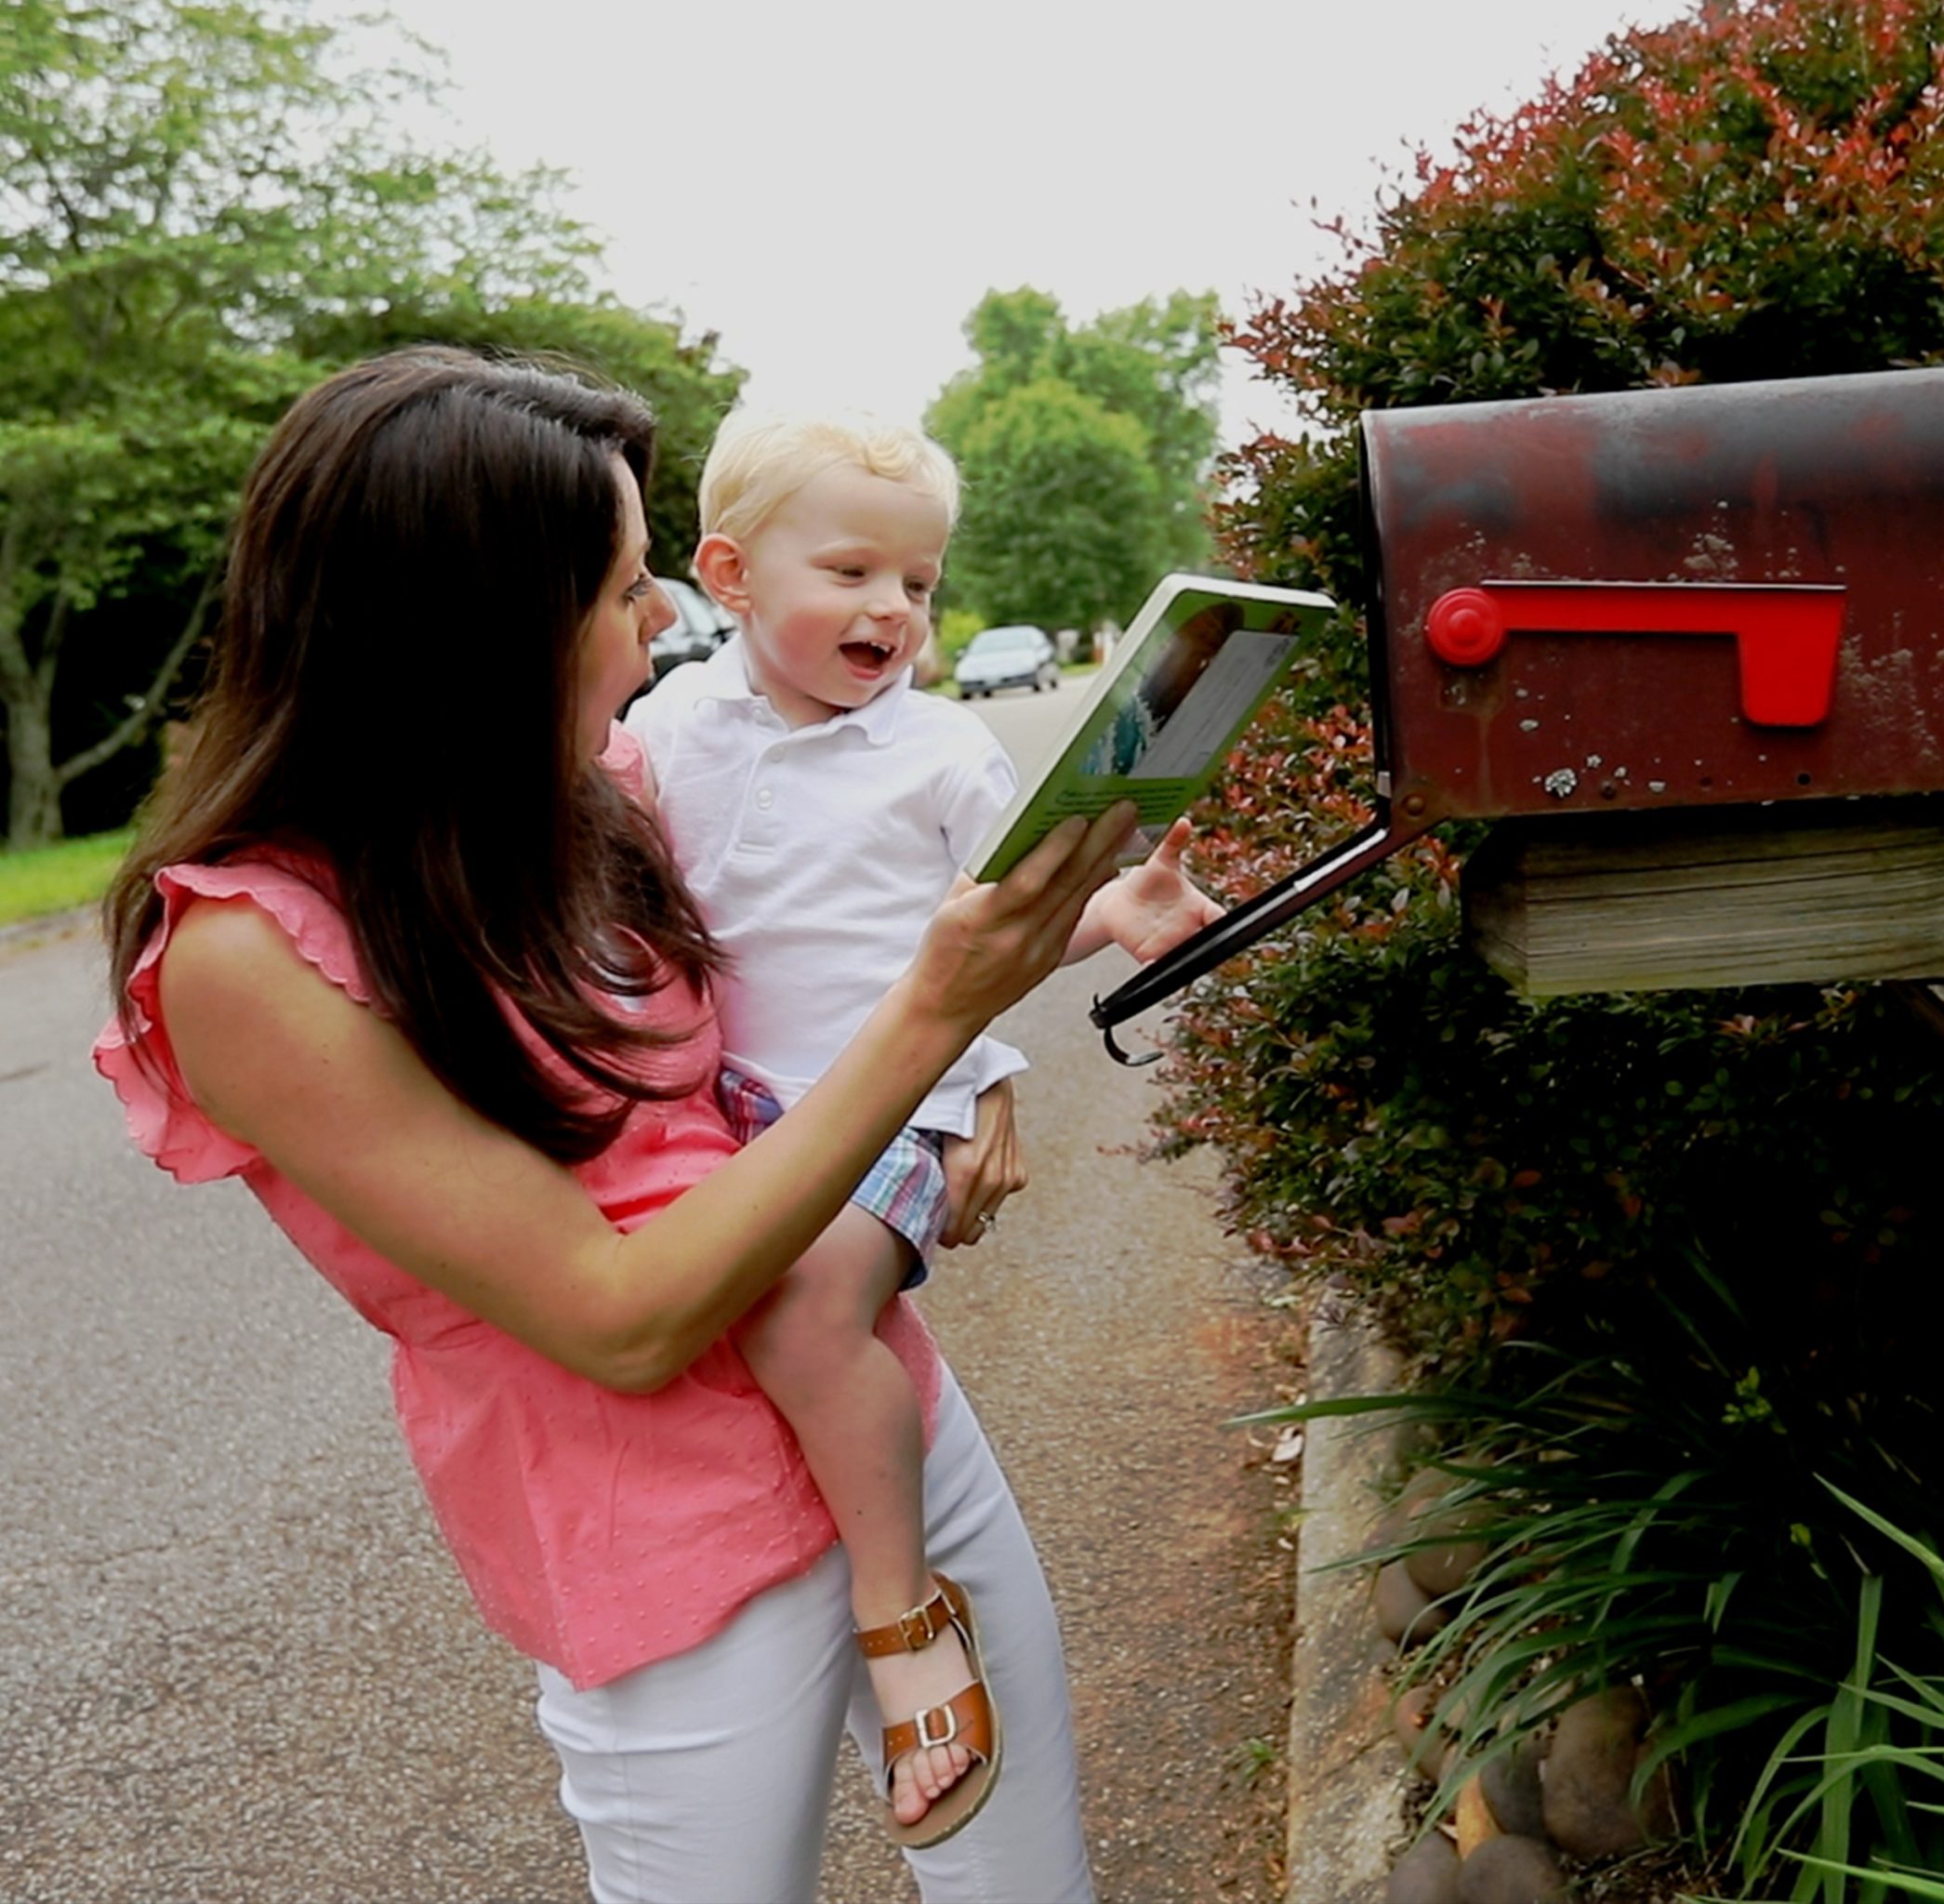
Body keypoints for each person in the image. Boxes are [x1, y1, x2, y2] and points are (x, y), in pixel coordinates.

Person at [93, 346, 1138, 1904]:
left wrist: (962, 1085)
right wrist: (938, 1018)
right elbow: (623, 1319)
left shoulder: (601, 792)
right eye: (622, 589)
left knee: (1029, 1886)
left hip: (874, 1424)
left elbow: (804, 973)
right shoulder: (247, 952)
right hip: (662, 1539)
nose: (666, 628)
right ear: (469, 626)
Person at [624, 408, 1221, 1845]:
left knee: (808, 1301)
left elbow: (1004, 929)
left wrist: (1112, 918)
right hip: (722, 1101)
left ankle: (900, 1611)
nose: (894, 609)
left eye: (921, 583)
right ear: (730, 573)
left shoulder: (944, 752)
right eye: (853, 573)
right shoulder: (659, 732)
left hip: (887, 1102)